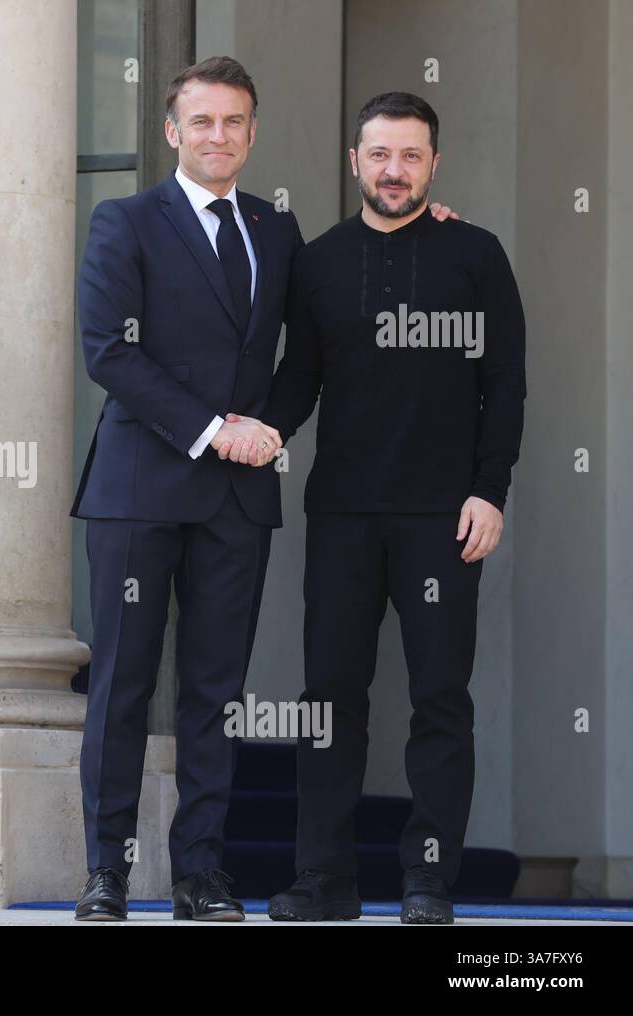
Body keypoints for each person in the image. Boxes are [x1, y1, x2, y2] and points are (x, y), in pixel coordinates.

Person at [261, 92, 525, 924]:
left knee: (440, 697)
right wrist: (256, 431)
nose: (394, 170)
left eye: (411, 156)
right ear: (355, 161)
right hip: (341, 512)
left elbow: (504, 386)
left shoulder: (475, 255)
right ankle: (324, 879)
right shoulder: (320, 260)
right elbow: (300, 375)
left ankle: (427, 879)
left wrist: (491, 490)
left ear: (434, 164)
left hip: (444, 518)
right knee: (329, 696)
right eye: (379, 154)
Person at [69, 57, 294, 922]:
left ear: (251, 132)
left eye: (234, 122)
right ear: (173, 133)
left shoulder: (276, 232)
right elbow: (109, 352)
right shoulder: (123, 221)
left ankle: (200, 876)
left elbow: (308, 344)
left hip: (236, 499)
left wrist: (428, 231)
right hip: (140, 487)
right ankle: (107, 873)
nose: (218, 136)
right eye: (201, 122)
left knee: (215, 694)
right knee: (122, 685)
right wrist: (215, 429)